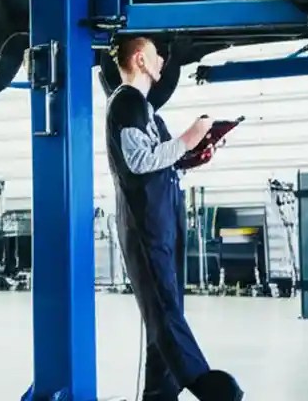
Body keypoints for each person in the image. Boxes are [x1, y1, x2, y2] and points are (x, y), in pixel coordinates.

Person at [103, 36, 244, 401]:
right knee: (164, 309)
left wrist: (199, 149)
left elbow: (164, 158)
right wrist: (187, 137)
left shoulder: (148, 111)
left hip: (163, 219)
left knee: (165, 309)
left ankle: (159, 394)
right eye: (156, 55)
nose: (163, 61)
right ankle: (204, 384)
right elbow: (138, 161)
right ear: (139, 59)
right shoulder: (125, 102)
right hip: (144, 224)